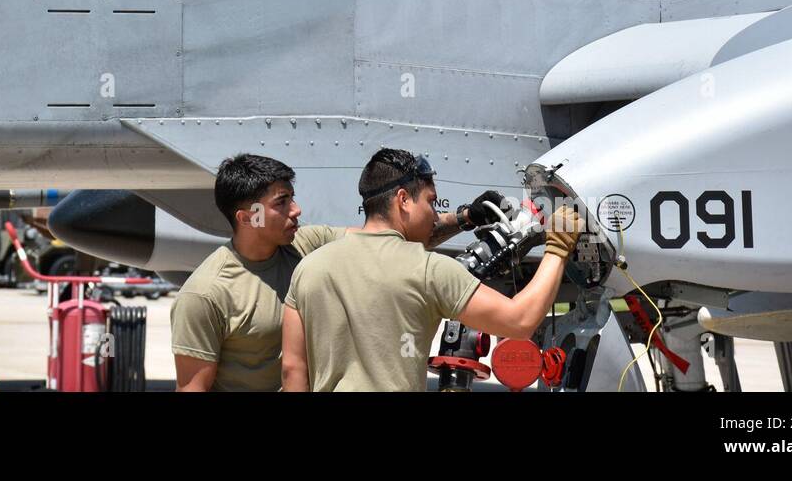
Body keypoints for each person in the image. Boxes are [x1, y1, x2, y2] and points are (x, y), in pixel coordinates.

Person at [281, 147, 585, 392]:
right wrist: (558, 247)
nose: (433, 213)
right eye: (430, 202)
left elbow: (293, 370)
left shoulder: (309, 267)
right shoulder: (429, 269)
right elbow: (520, 322)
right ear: (403, 200)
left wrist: (466, 217)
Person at [171, 152, 480, 391]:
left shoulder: (306, 244)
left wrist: (467, 217)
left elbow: (390, 238)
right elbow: (192, 386)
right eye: (283, 202)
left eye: (292, 197)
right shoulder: (205, 294)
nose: (297, 210)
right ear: (248, 217)